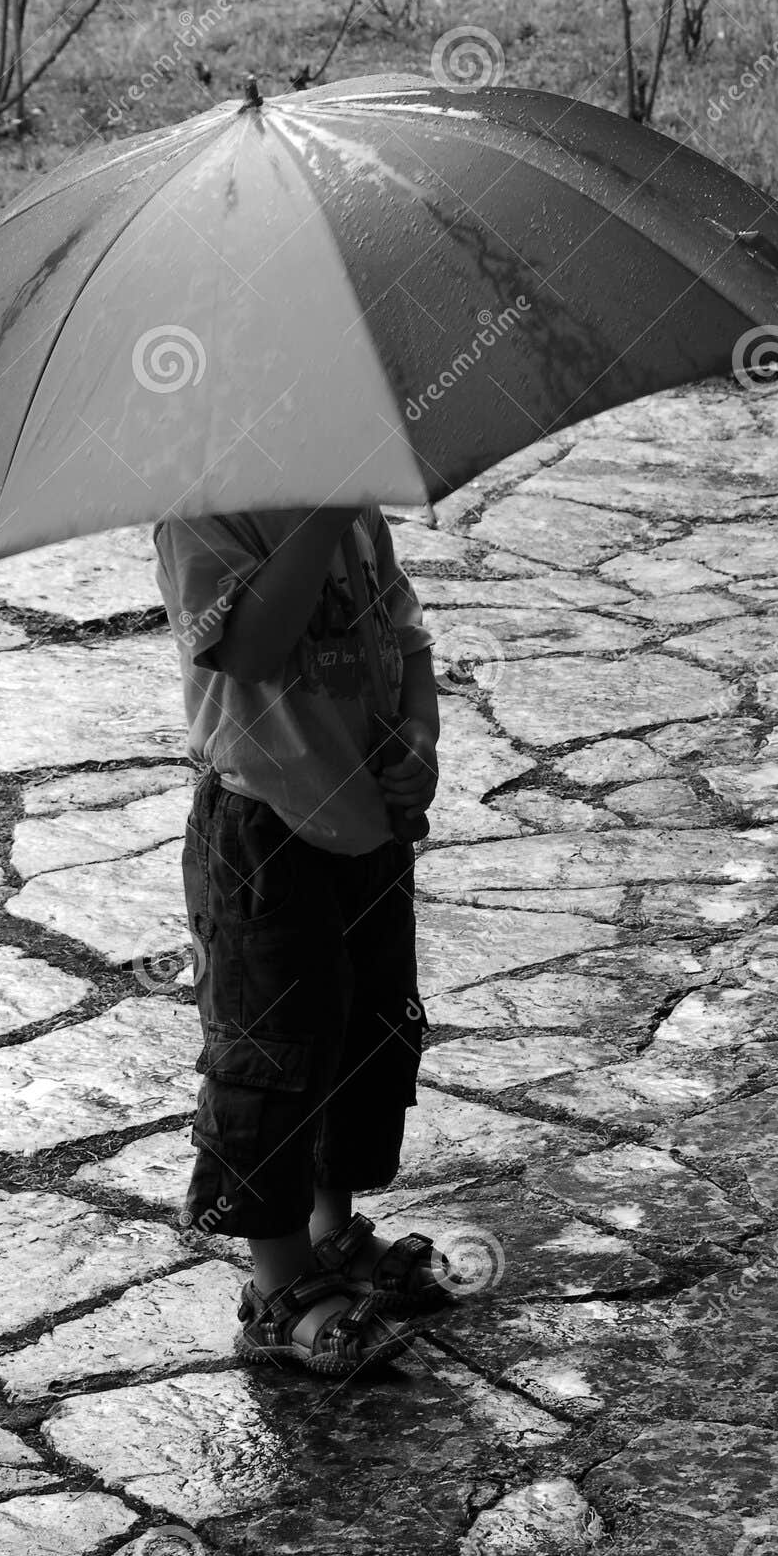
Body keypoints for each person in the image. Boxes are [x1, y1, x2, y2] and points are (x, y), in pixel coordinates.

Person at [153, 505, 452, 1379]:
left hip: (368, 826)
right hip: (262, 832)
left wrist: (420, 738)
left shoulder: (353, 508)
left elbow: (407, 638)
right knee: (273, 1055)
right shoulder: (200, 518)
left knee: (364, 1033)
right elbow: (246, 649)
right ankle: (276, 1288)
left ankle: (330, 1231)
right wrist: (319, 514)